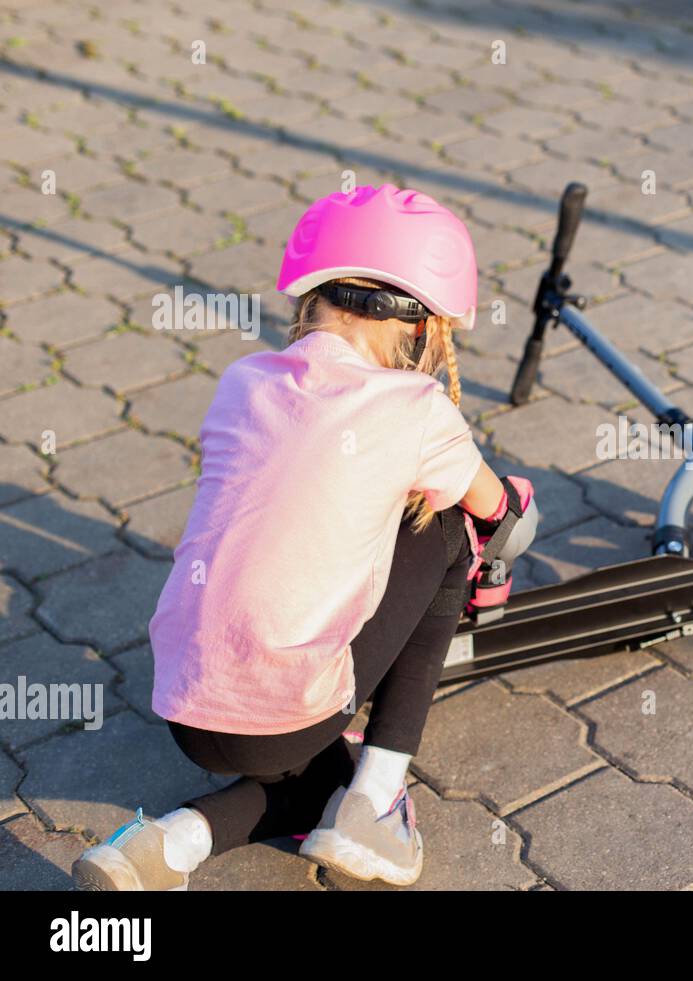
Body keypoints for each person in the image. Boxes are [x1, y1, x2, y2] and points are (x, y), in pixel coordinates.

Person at [72, 184, 537, 889]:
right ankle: (376, 801)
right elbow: (501, 514)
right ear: (419, 328)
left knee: (314, 779)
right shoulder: (417, 407)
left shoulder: (243, 380)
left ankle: (164, 843)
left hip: (186, 707)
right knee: (448, 525)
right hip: (291, 714)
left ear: (309, 297)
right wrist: (508, 511)